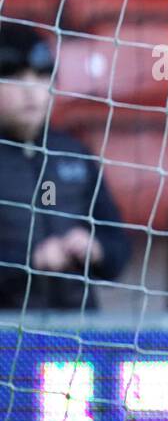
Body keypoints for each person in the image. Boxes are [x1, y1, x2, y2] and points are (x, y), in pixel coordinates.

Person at [0, 23, 130, 310]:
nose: (31, 91)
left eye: (41, 76)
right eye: (15, 77)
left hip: (76, 334)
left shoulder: (73, 153)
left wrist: (94, 248)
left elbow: (118, 247)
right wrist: (28, 261)